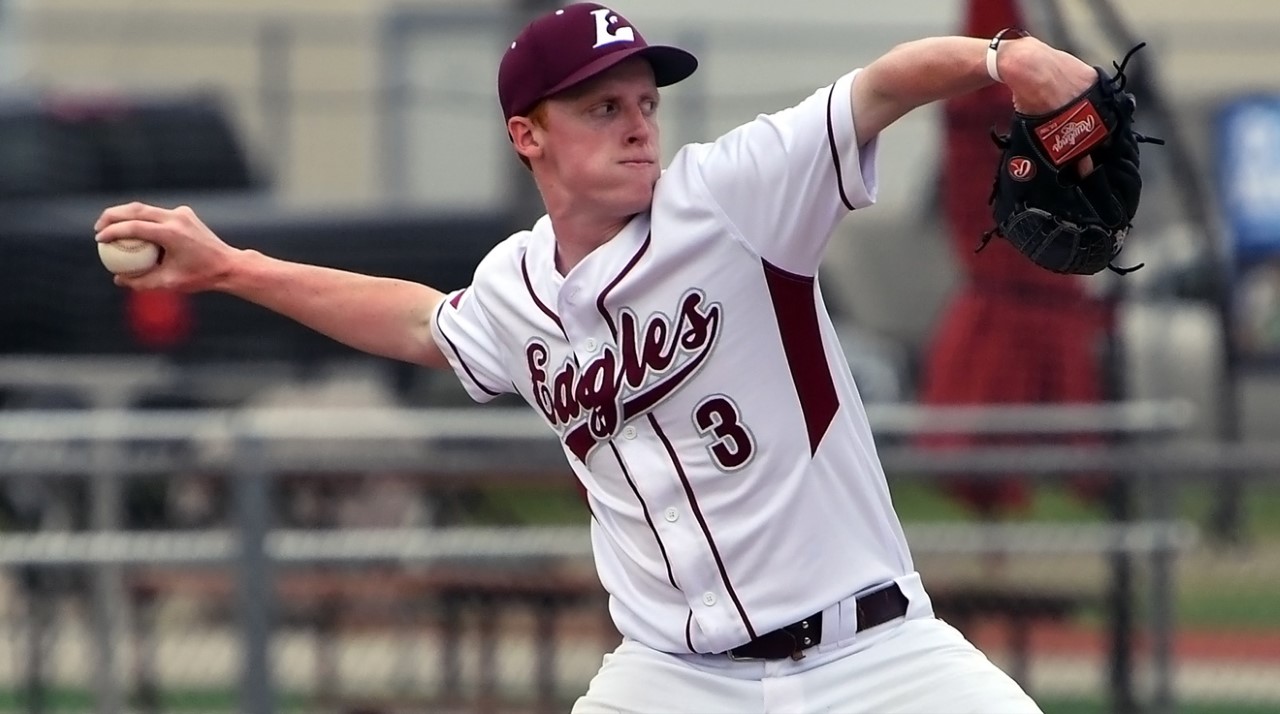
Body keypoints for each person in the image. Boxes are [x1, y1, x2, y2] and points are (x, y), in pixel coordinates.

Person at [95, 4, 1101, 712]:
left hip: (871, 658)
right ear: (526, 135)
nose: (638, 127)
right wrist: (231, 268)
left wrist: (1003, 59)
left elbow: (881, 86)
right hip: (676, 679)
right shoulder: (515, 287)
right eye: (602, 108)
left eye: (645, 104)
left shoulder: (733, 198)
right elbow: (420, 325)